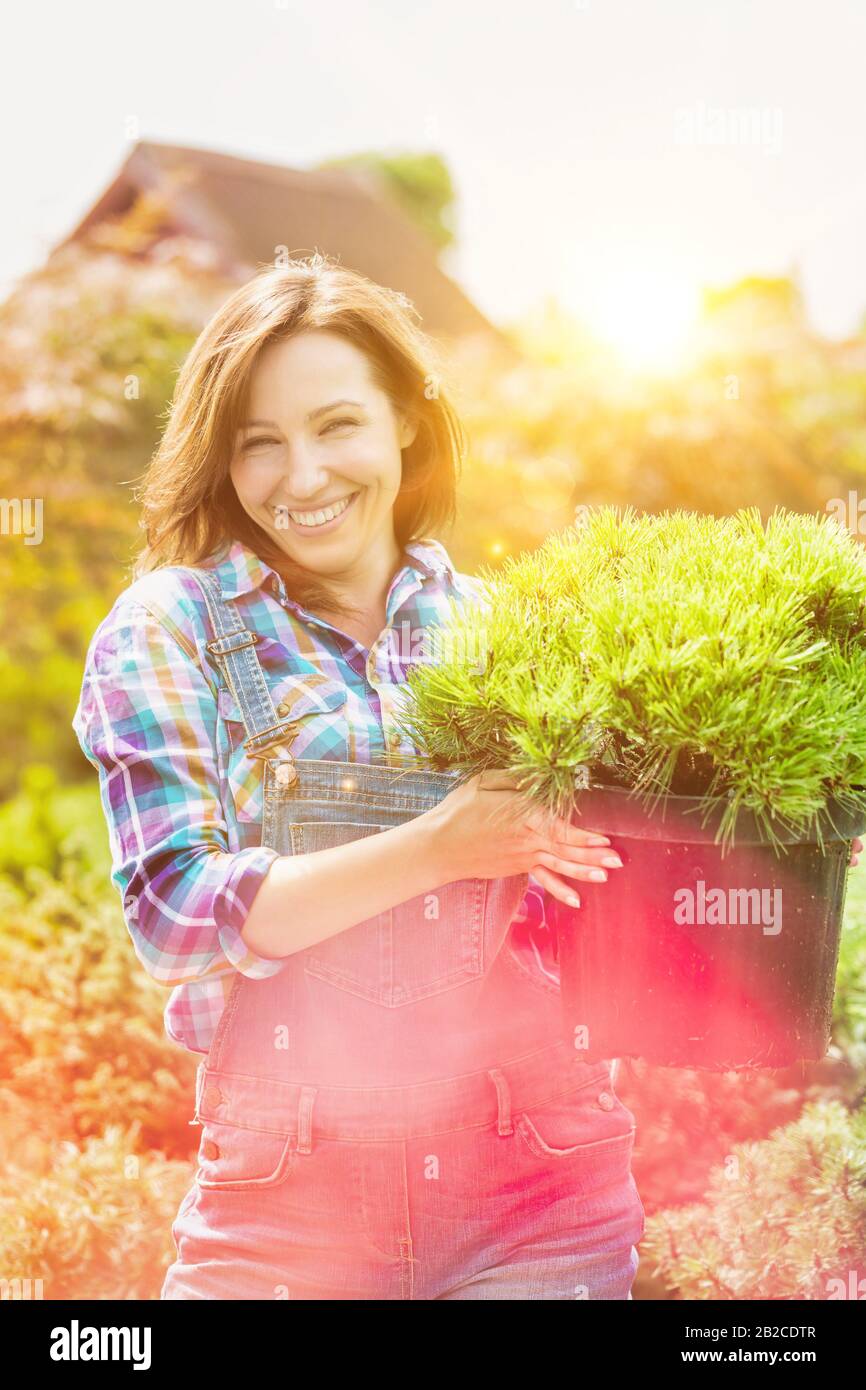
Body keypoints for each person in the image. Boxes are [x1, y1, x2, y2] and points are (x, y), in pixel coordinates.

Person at [74, 255, 648, 1298]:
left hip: (537, 1190)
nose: (301, 477)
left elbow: (594, 891)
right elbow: (173, 912)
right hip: (280, 1205)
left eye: (336, 425)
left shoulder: (510, 628)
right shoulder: (171, 628)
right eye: (260, 445)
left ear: (405, 427)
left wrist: (748, 823)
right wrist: (437, 847)